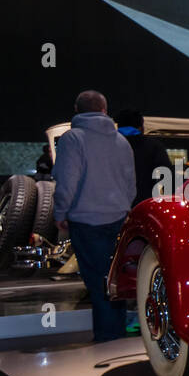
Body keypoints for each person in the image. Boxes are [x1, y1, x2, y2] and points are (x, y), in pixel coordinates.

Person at [52, 90, 136, 342]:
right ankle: (116, 331)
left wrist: (60, 212)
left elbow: (67, 180)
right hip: (118, 218)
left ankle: (107, 336)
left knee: (97, 281)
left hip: (86, 219)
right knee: (114, 279)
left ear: (77, 110)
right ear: (104, 110)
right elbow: (130, 184)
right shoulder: (121, 141)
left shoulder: (72, 139)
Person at [114, 108, 171, 205]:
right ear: (141, 127)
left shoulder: (107, 145)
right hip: (143, 203)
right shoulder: (153, 146)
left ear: (118, 125)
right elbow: (167, 175)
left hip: (113, 203)